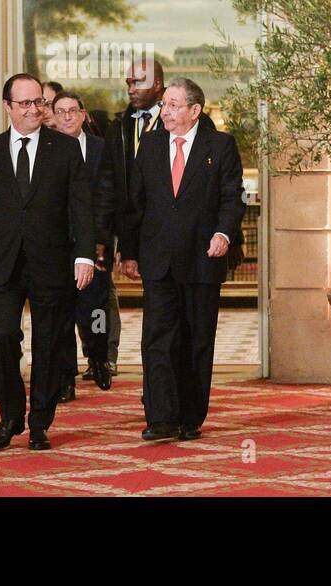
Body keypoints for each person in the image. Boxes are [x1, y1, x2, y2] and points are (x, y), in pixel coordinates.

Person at [0, 74, 95, 451]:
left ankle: (39, 422)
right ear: (8, 107)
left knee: (50, 344)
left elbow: (80, 207)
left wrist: (84, 255)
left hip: (52, 261)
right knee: (2, 337)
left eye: (39, 102)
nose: (35, 109)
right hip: (1, 264)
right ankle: (10, 416)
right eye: (26, 104)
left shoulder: (66, 149)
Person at [120, 78, 245, 442]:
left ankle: (189, 416)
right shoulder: (151, 144)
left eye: (174, 105)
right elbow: (134, 204)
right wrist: (128, 252)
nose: (166, 111)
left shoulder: (219, 146)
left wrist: (223, 234)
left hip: (202, 260)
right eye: (164, 105)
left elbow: (231, 197)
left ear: (195, 110)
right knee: (157, 339)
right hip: (158, 260)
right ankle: (160, 417)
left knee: (196, 339)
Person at [100, 58, 166, 379]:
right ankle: (154, 395)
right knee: (153, 323)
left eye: (137, 82)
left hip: (173, 236)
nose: (131, 89)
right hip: (138, 236)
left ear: (157, 84)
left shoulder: (181, 122)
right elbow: (116, 194)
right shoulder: (120, 128)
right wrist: (124, 248)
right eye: (128, 82)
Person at [50, 91, 116, 400]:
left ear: (83, 114)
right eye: (60, 111)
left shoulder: (102, 150)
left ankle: (98, 356)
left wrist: (99, 242)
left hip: (94, 245)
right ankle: (66, 377)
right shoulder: (45, 147)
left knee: (93, 311)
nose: (66, 117)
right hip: (57, 246)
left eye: (72, 111)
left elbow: (106, 198)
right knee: (61, 314)